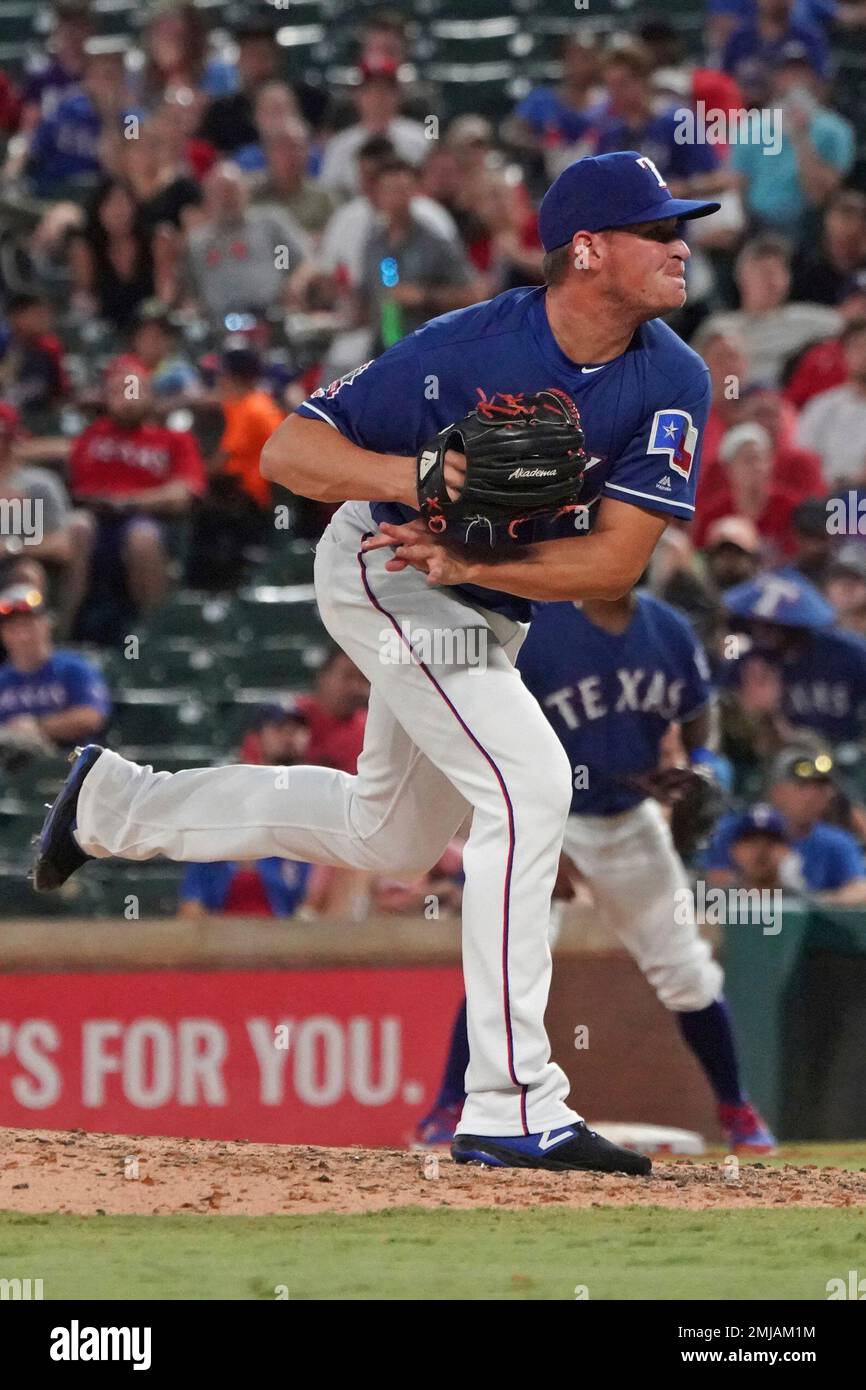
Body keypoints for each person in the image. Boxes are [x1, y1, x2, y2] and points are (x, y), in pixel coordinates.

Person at [33, 151, 723, 1178]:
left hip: (485, 594)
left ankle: (116, 805)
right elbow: (289, 454)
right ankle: (510, 1103)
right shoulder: (469, 345)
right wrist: (422, 478)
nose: (680, 244)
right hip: (386, 566)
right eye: (657, 229)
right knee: (528, 783)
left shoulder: (672, 373)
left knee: (388, 834)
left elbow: (615, 560)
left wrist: (477, 549)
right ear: (586, 250)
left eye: (681, 227)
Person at [416, 591, 776, 1154]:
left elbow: (697, 718)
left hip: (629, 818)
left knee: (686, 970)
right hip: (543, 815)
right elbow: (482, 733)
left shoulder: (669, 630)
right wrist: (535, 838)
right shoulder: (540, 627)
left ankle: (737, 1109)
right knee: (507, 961)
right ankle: (447, 1106)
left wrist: (695, 767)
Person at [67, 362, 206, 627]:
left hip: (151, 521)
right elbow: (78, 487)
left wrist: (129, 502)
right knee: (76, 527)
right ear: (107, 399)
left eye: (134, 391)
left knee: (141, 537)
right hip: (97, 520)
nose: (127, 400)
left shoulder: (174, 439)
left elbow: (184, 493)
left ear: (150, 395)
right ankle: (64, 631)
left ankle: (155, 631)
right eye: (118, 392)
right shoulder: (94, 435)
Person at [724, 568, 866, 745]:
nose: (762, 631)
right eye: (758, 623)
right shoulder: (751, 663)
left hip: (848, 755)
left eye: (773, 625)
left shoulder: (849, 653)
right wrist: (763, 714)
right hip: (781, 758)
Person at [706, 749, 866, 902]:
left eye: (821, 788)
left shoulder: (836, 842)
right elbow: (715, 884)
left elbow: (860, 890)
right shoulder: (740, 830)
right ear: (776, 790)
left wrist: (807, 905)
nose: (814, 795)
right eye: (802, 786)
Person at [730, 44, 855, 240]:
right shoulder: (753, 125)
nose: (794, 80)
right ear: (776, 78)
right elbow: (738, 182)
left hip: (812, 229)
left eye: (801, 72)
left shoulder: (836, 130)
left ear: (814, 77)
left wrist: (801, 135)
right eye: (787, 72)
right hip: (759, 226)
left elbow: (821, 195)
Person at [358, 158, 480, 353]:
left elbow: (473, 294)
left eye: (403, 189)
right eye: (390, 190)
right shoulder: (373, 243)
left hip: (426, 349)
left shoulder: (435, 241)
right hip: (381, 350)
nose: (397, 198)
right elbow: (365, 297)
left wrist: (424, 296)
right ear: (378, 195)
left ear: (414, 191)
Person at [700, 234, 840, 387]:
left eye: (779, 271)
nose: (772, 279)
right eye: (764, 271)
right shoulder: (719, 326)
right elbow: (695, 371)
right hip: (732, 396)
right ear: (741, 277)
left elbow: (851, 327)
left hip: (784, 401)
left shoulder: (809, 320)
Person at [182, 163, 310, 326]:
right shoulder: (198, 244)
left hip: (270, 317)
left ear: (245, 191)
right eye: (220, 193)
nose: (227, 198)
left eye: (232, 190)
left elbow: (292, 264)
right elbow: (192, 290)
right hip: (220, 324)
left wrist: (292, 284)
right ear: (207, 200)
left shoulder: (269, 227)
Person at [0, 584, 110, 753]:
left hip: (70, 767)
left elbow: (92, 716)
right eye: (14, 628)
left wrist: (38, 726)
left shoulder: (74, 668)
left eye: (29, 625)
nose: (23, 636)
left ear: (46, 624)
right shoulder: (3, 681)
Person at [694, 422, 799, 556]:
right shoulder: (713, 514)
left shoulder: (789, 507)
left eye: (761, 459)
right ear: (729, 468)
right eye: (748, 460)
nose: (757, 467)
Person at [796, 318, 866, 487]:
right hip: (827, 496)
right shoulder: (821, 406)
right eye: (859, 347)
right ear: (845, 355)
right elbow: (804, 460)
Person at [822, 544, 866, 638]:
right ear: (826, 588)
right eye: (839, 578)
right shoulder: (814, 632)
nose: (846, 587)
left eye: (856, 579)